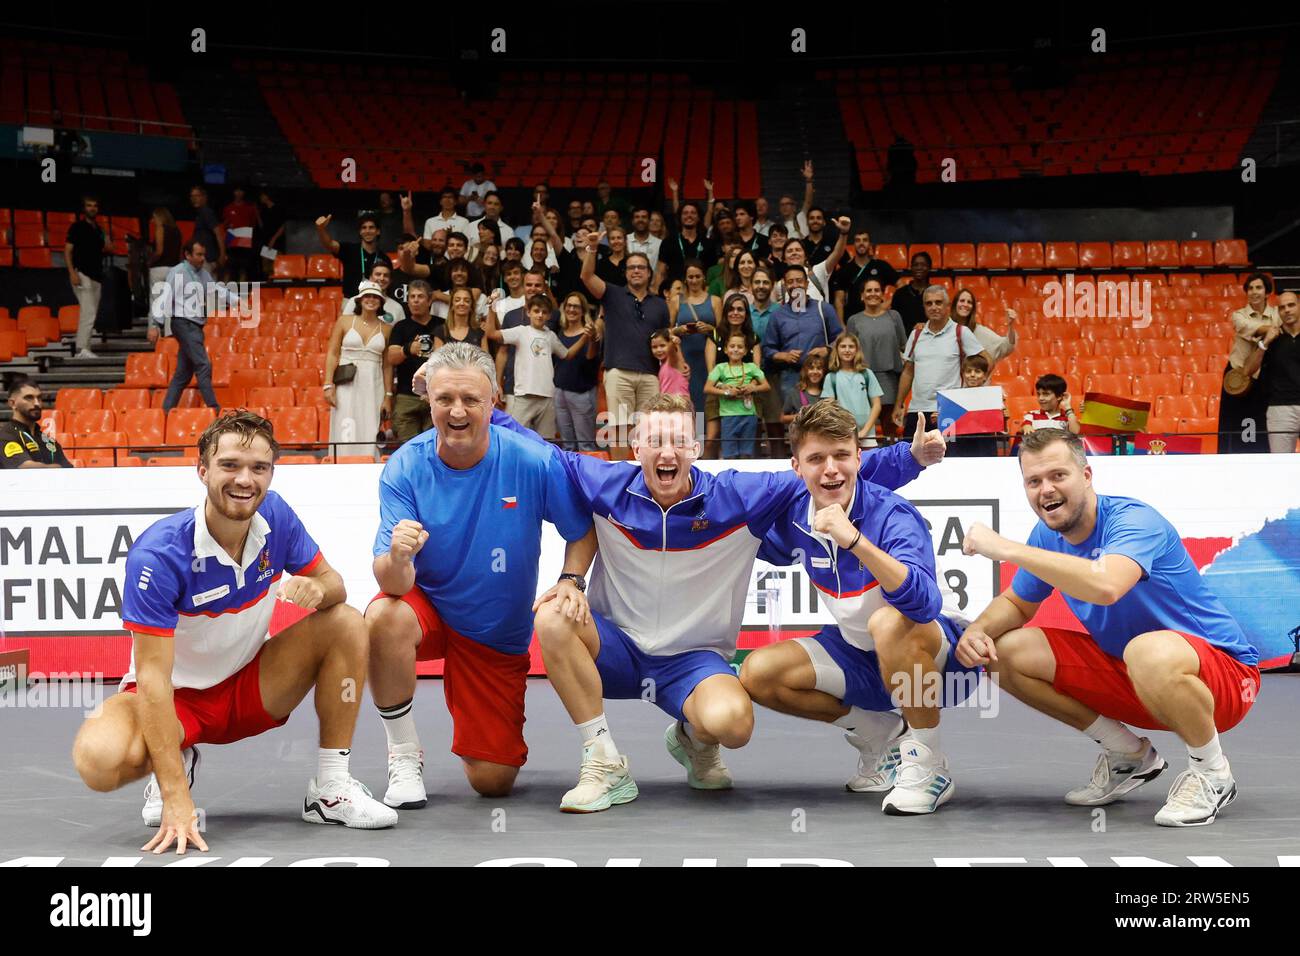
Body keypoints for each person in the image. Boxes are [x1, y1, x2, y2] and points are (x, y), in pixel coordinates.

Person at [532, 394, 947, 812]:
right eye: (655, 440)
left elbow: (828, 471)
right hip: (615, 648)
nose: (667, 451)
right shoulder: (605, 483)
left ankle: (694, 740)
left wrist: (910, 458)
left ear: (697, 449)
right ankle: (603, 763)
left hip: (691, 662)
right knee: (552, 615)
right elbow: (539, 453)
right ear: (635, 448)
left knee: (733, 724)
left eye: (679, 440)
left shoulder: (738, 497)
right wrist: (482, 408)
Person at [71, 411, 397, 853]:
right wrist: (175, 798)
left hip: (250, 686)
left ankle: (331, 787)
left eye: (258, 468)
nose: (244, 479)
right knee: (97, 760)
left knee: (346, 621)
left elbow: (335, 585)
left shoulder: (276, 516)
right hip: (174, 699)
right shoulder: (159, 554)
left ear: (270, 474)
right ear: (202, 470)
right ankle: (176, 759)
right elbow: (150, 681)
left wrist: (316, 588)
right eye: (229, 465)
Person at [957, 428, 1259, 827]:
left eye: (1057, 476)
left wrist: (1005, 548)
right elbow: (1016, 602)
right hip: (1136, 676)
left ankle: (1212, 772)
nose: (1045, 490)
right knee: (1004, 651)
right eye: (1034, 481)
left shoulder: (1135, 520)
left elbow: (1106, 586)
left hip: (1222, 679)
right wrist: (977, 630)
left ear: (1086, 476)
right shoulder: (1047, 535)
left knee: (1145, 650)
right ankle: (1127, 755)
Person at [365, 343, 595, 805]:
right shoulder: (404, 466)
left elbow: (581, 530)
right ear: (428, 400)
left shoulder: (532, 459)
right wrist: (397, 556)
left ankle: (478, 732)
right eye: (445, 398)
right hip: (426, 608)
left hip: (494, 635)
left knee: (493, 781)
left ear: (494, 401)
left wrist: (570, 581)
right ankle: (404, 755)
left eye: (471, 400)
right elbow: (391, 584)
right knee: (383, 617)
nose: (457, 411)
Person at [742, 403, 979, 813]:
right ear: (797, 466)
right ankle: (882, 736)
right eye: (817, 459)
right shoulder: (795, 517)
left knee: (888, 622)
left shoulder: (893, 514)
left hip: (939, 663)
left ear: (858, 458)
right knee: (758, 673)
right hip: (862, 660)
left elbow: (924, 604)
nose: (831, 469)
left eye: (841, 456)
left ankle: (929, 764)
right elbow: (751, 545)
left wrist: (855, 541)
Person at [580, 233, 667, 459]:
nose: (636, 271)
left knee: (650, 428)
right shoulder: (612, 294)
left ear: (649, 273)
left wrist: (679, 362)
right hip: (618, 370)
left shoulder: (660, 305)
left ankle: (647, 474)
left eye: (641, 267)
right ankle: (620, 475)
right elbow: (586, 276)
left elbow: (666, 342)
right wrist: (592, 247)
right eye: (631, 268)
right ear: (625, 273)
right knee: (619, 427)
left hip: (650, 374)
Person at [149, 240, 242, 413]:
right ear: (187, 255)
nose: (202, 258)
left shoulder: (202, 273)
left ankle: (166, 412)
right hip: (183, 323)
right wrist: (155, 324)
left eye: (203, 254)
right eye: (198, 255)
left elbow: (217, 289)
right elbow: (165, 298)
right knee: (203, 364)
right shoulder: (177, 272)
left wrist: (238, 301)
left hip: (195, 326)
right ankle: (214, 409)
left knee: (183, 374)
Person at [485, 294, 592, 437]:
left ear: (549, 316)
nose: (540, 315)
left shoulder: (551, 336)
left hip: (547, 396)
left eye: (544, 312)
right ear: (528, 312)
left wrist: (585, 337)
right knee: (516, 437)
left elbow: (567, 355)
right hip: (524, 395)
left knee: (546, 441)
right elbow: (491, 333)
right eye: (536, 311)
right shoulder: (520, 331)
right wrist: (491, 309)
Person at [891, 285, 991, 434]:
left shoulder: (961, 332)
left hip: (950, 410)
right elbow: (908, 372)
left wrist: (970, 392)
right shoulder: (916, 334)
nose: (934, 307)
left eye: (938, 302)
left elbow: (987, 361)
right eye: (929, 303)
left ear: (947, 305)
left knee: (949, 457)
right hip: (917, 410)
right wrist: (898, 404)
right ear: (924, 306)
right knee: (913, 456)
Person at [324, 281, 393, 461]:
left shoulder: (386, 328)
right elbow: (332, 354)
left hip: (373, 383)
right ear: (360, 299)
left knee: (370, 425)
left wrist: (388, 395)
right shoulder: (345, 321)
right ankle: (340, 463)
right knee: (344, 424)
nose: (371, 300)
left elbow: (387, 365)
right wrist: (328, 385)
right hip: (346, 383)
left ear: (381, 301)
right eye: (367, 296)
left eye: (375, 297)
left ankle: (369, 464)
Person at [762, 264, 844, 407]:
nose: (795, 285)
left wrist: (827, 349)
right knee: (794, 422)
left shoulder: (823, 308)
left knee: (822, 420)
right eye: (790, 281)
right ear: (785, 285)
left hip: (820, 374)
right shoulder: (777, 315)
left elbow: (841, 339)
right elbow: (768, 349)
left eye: (799, 281)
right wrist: (784, 356)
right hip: (790, 376)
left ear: (806, 284)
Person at [1220, 272, 1281, 453]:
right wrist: (1273, 330)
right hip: (1237, 375)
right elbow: (1251, 329)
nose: (1254, 292)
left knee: (1261, 423)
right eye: (1251, 288)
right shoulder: (1238, 315)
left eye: (1259, 288)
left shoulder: (1277, 314)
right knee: (1232, 423)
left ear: (1267, 292)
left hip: (1265, 374)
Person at [846, 278, 909, 437]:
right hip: (862, 380)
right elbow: (848, 351)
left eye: (876, 290)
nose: (872, 294)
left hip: (889, 380)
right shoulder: (854, 320)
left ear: (882, 294)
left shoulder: (894, 317)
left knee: (890, 428)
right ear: (862, 296)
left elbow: (904, 346)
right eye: (868, 290)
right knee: (862, 429)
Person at [1241, 288, 1300, 453]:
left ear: (1299, 306)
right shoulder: (1271, 337)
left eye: (1291, 305)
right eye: (1282, 307)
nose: (1287, 310)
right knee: (1280, 465)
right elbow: (1247, 371)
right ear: (1278, 311)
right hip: (1280, 410)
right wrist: (1265, 343)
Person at [386, 281, 438, 443]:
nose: (415, 300)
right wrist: (407, 349)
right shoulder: (400, 327)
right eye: (412, 297)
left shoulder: (442, 324)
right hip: (407, 396)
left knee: (435, 447)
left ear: (429, 301)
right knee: (408, 448)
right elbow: (391, 357)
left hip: (436, 394)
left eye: (420, 296)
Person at [668, 260, 721, 419]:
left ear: (704, 277)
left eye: (697, 276)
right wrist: (679, 330)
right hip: (685, 359)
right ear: (685, 279)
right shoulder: (677, 300)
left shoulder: (715, 300)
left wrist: (710, 329)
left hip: (708, 361)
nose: (694, 280)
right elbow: (666, 332)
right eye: (690, 277)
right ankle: (689, 438)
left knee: (707, 403)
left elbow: (724, 335)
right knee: (687, 401)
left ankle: (705, 439)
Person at [705, 331, 769, 457]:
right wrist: (727, 392)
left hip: (749, 414)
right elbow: (707, 388)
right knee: (729, 453)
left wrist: (753, 388)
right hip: (728, 415)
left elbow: (766, 386)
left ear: (745, 351)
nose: (736, 350)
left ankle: (745, 476)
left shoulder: (751, 367)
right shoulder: (720, 368)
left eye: (740, 347)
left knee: (747, 453)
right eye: (732, 346)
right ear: (725, 350)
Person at [554, 292, 603, 452]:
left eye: (576, 306)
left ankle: (587, 477)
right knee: (567, 445)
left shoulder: (590, 333)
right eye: (569, 305)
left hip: (581, 394)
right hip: (560, 392)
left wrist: (592, 338)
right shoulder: (560, 332)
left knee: (585, 444)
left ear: (583, 311)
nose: (572, 309)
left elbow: (591, 356)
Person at [823, 332, 883, 447]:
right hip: (842, 434)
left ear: (857, 350)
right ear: (837, 349)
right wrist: (842, 430)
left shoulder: (867, 374)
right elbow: (829, 408)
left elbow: (876, 405)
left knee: (867, 463)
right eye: (843, 346)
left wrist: (865, 431)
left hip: (867, 434)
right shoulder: (831, 377)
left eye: (851, 346)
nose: (847, 350)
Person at [65, 194, 106, 358]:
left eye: (95, 205)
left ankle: (85, 347)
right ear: (84, 208)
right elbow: (67, 251)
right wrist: (72, 272)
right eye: (89, 205)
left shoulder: (98, 229)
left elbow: (104, 248)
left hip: (97, 275)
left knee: (91, 312)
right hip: (82, 273)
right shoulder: (77, 227)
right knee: (88, 312)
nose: (92, 208)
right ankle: (82, 348)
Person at [0, 376, 73, 468]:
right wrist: (57, 468)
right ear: (12, 403)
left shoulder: (48, 441)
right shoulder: (6, 436)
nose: (37, 403)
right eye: (29, 398)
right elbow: (25, 467)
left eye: (39, 398)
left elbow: (70, 470)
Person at [945, 354, 1006, 457]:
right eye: (968, 371)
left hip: (985, 445)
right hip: (958, 446)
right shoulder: (952, 398)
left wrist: (1004, 416)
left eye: (977, 371)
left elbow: (1001, 427)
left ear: (985, 376)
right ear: (963, 374)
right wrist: (941, 417)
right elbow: (947, 427)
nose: (972, 375)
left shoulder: (993, 397)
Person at [317, 213, 389, 298]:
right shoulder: (349, 249)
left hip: (374, 302)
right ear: (360, 232)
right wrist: (321, 229)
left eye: (371, 227)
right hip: (350, 301)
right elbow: (329, 244)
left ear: (378, 231)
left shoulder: (384, 258)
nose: (367, 231)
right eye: (364, 228)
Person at [832, 229, 901, 318]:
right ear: (854, 244)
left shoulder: (881, 266)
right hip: (853, 318)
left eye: (865, 240)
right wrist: (841, 325)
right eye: (858, 240)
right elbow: (839, 300)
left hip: (878, 316)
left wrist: (887, 303)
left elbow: (901, 285)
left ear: (870, 244)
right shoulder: (845, 269)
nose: (861, 243)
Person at [951, 288, 1017, 365]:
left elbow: (1005, 347)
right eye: (962, 301)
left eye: (969, 302)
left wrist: (1011, 325)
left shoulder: (979, 331)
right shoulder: (945, 328)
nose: (965, 304)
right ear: (955, 304)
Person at [146, 207, 182, 323]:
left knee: (156, 304)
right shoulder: (177, 231)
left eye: (154, 218)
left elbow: (159, 251)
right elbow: (180, 254)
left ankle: (154, 335)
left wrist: (150, 261)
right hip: (174, 269)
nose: (153, 221)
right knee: (171, 306)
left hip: (159, 269)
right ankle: (170, 337)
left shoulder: (160, 228)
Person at [220, 186, 259, 282]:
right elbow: (224, 225)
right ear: (233, 192)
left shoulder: (250, 208)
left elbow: (253, 225)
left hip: (245, 244)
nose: (238, 193)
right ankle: (231, 293)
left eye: (240, 190)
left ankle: (243, 294)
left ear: (243, 193)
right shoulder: (228, 208)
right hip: (232, 244)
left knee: (244, 270)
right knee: (231, 270)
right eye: (236, 190)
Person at [890, 252, 933, 331]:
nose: (919, 267)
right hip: (906, 340)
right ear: (911, 268)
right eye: (916, 265)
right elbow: (894, 322)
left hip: (932, 338)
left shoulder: (936, 293)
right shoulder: (900, 294)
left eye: (923, 265)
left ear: (929, 268)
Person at [188, 186, 225, 276]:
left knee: (206, 288)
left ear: (204, 197)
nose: (194, 199)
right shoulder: (200, 214)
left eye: (197, 196)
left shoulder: (206, 212)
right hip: (204, 258)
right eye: (192, 196)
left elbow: (218, 233)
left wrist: (222, 255)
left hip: (207, 259)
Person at [782, 353, 828, 424]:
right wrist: (802, 416)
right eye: (811, 368)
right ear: (805, 371)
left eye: (819, 368)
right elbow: (783, 418)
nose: (815, 372)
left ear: (824, 372)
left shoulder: (828, 393)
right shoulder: (794, 393)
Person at [778, 160, 816, 240]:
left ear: (794, 206)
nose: (785, 207)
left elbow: (808, 201)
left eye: (787, 204)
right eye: (782, 204)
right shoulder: (779, 227)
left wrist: (809, 180)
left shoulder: (801, 217)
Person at [256, 190, 287, 279]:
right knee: (266, 268)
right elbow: (262, 226)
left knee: (277, 267)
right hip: (266, 242)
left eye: (262, 196)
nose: (261, 198)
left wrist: (274, 239)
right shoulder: (263, 210)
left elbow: (283, 226)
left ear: (267, 196)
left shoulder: (278, 209)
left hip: (277, 243)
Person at [652, 329, 690, 397]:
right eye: (654, 347)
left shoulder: (673, 361)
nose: (658, 350)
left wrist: (674, 342)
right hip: (666, 405)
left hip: (679, 405)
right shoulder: (662, 365)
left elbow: (672, 351)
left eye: (662, 345)